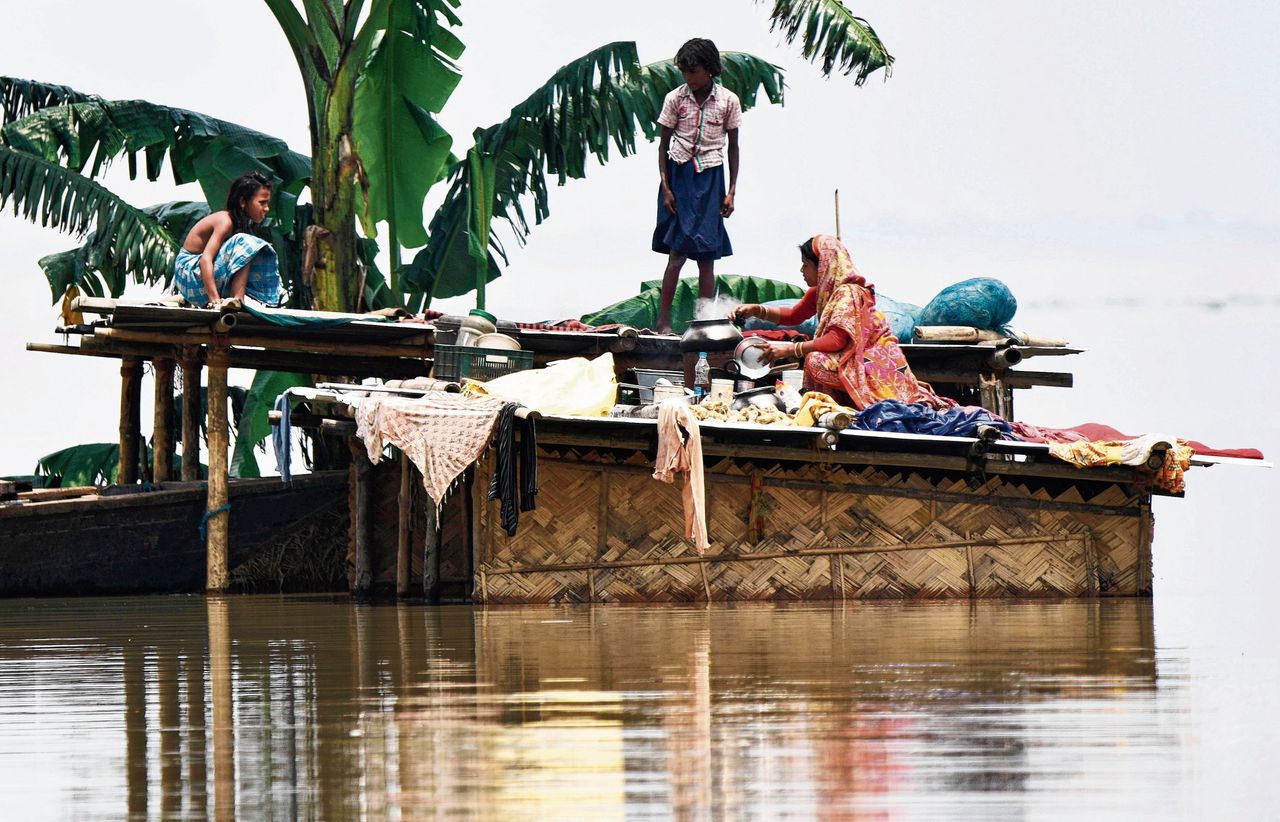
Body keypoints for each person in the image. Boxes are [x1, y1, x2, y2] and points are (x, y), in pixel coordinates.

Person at [732, 235, 954, 410]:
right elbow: (794, 316)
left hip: (872, 362)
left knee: (816, 360)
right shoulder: (823, 292)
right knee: (815, 359)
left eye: (805, 265)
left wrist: (790, 349)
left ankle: (851, 405)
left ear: (823, 267)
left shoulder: (848, 293)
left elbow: (836, 340)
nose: (801, 271)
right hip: (853, 358)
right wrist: (755, 310)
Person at [652, 38, 742, 333]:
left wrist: (731, 192)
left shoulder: (728, 101)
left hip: (711, 178)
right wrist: (666, 188)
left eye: (693, 71)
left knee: (706, 256)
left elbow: (733, 147)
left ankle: (703, 325)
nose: (688, 78)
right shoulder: (675, 99)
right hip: (679, 177)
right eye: (685, 72)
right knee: (676, 253)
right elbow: (663, 146)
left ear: (709, 70)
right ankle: (663, 323)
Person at [173, 170, 283, 308]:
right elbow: (205, 259)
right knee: (249, 245)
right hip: (188, 274)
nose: (267, 208)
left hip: (197, 280)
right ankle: (236, 298)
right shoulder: (226, 221)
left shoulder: (240, 226)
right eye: (262, 203)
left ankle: (236, 300)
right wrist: (214, 301)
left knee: (255, 250)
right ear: (243, 201)